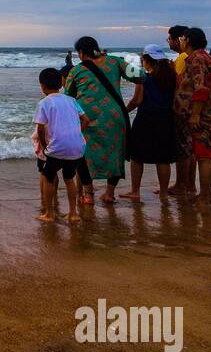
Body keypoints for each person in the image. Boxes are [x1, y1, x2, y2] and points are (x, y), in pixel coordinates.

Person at [64, 36, 142, 205]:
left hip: (87, 118)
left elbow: (67, 97)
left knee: (82, 155)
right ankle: (109, 193)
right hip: (115, 116)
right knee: (115, 155)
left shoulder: (76, 70)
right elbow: (140, 76)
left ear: (81, 52)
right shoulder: (115, 62)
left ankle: (89, 194)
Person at [173, 27, 211, 204]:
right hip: (208, 111)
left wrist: (195, 114)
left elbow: (200, 88)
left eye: (182, 38)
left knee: (203, 155)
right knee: (202, 153)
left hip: (204, 115)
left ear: (187, 40)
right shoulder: (204, 57)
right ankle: (204, 194)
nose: (180, 41)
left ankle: (205, 195)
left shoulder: (197, 58)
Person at [121, 45, 178, 201]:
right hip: (166, 120)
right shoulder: (173, 77)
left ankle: (135, 191)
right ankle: (164, 193)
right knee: (163, 159)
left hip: (145, 120)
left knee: (137, 157)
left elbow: (137, 100)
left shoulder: (143, 78)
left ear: (146, 60)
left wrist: (124, 111)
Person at [34, 67, 89, 224]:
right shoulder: (71, 100)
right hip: (77, 147)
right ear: (61, 83)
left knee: (48, 177)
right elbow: (86, 120)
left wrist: (44, 146)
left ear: (42, 85)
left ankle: (49, 214)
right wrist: (75, 132)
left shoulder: (44, 103)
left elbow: (39, 128)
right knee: (69, 178)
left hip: (57, 147)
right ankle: (73, 213)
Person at [165, 25, 193, 196]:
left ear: (178, 40)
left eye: (169, 39)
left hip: (182, 108)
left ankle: (181, 184)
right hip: (191, 108)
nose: (168, 42)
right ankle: (189, 185)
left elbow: (178, 84)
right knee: (190, 149)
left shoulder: (182, 58)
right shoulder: (188, 56)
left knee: (182, 149)